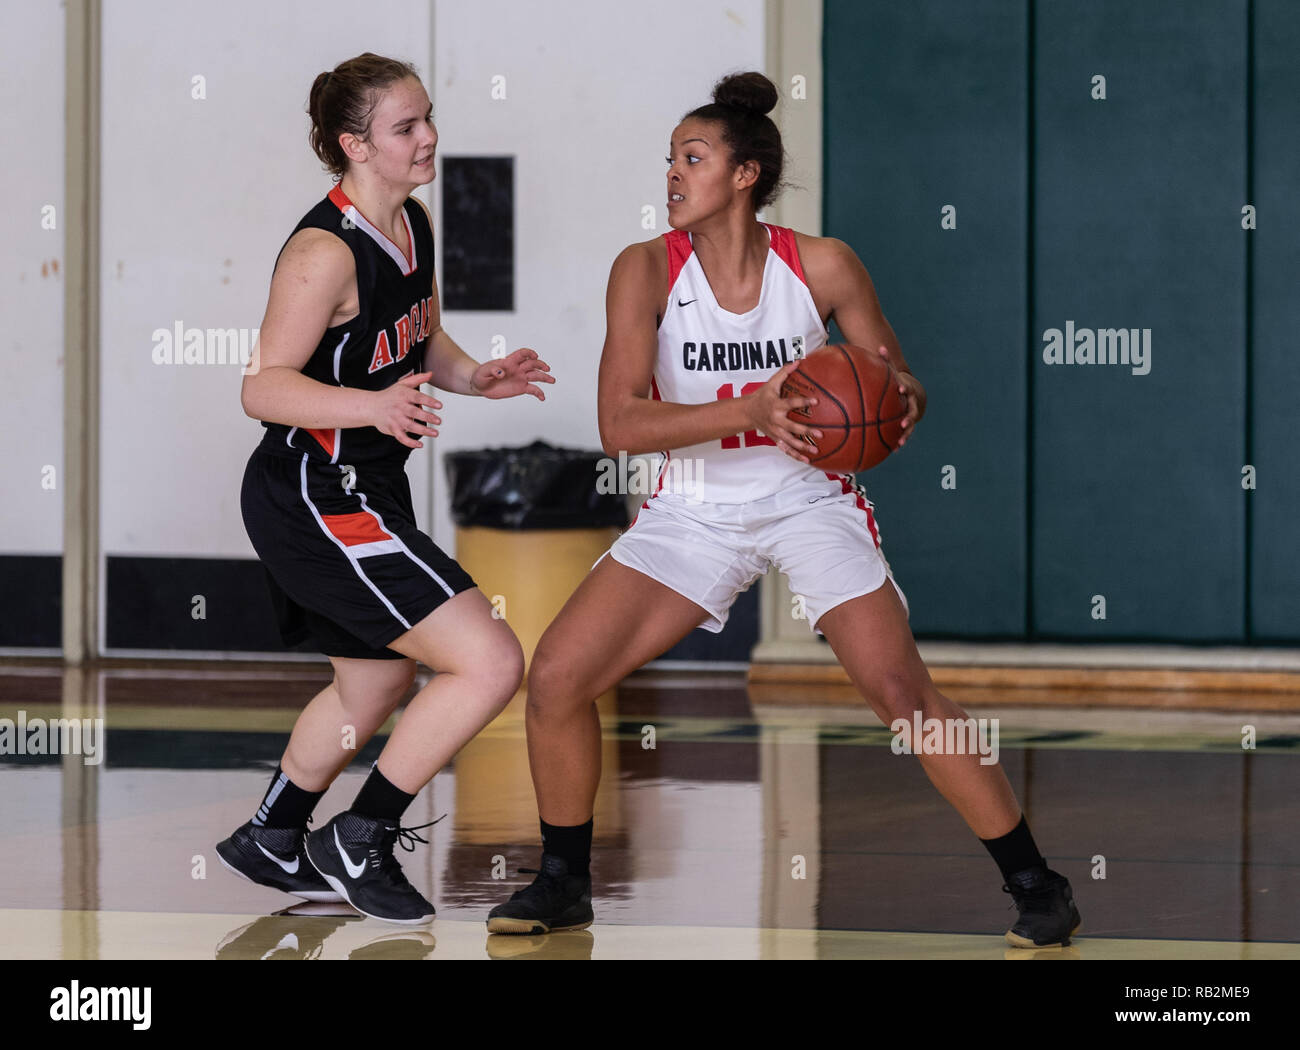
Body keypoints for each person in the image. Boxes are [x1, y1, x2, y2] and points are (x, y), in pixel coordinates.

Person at [488, 71, 1080, 948]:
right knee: (558, 679)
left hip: (809, 499)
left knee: (898, 691)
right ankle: (565, 881)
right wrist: (750, 410)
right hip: (692, 510)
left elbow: (897, 380)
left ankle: (1039, 885)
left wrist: (901, 402)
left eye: (692, 158)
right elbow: (620, 425)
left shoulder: (824, 264)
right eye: (669, 161)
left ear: (745, 174)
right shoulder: (645, 269)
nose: (672, 176)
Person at [216, 53, 554, 926]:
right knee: (489, 662)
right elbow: (263, 386)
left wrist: (477, 377)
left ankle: (274, 833)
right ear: (352, 144)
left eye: (428, 117)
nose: (429, 136)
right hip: (313, 489)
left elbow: (421, 336)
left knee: (369, 692)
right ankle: (361, 834)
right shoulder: (321, 252)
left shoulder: (411, 221)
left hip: (363, 486)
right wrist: (370, 403)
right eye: (406, 127)